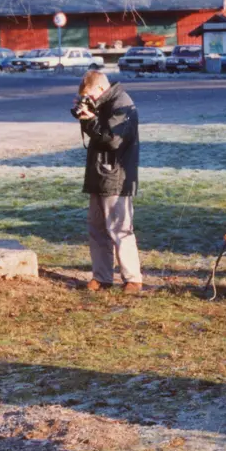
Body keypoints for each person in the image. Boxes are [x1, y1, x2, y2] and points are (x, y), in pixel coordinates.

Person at [74, 70, 143, 294]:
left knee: (120, 229)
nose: (88, 101)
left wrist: (91, 120)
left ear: (101, 90)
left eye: (89, 96)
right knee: (97, 228)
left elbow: (113, 140)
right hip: (99, 173)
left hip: (116, 175)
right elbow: (98, 135)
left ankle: (132, 279)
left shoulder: (122, 104)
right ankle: (102, 277)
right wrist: (87, 118)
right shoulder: (103, 102)